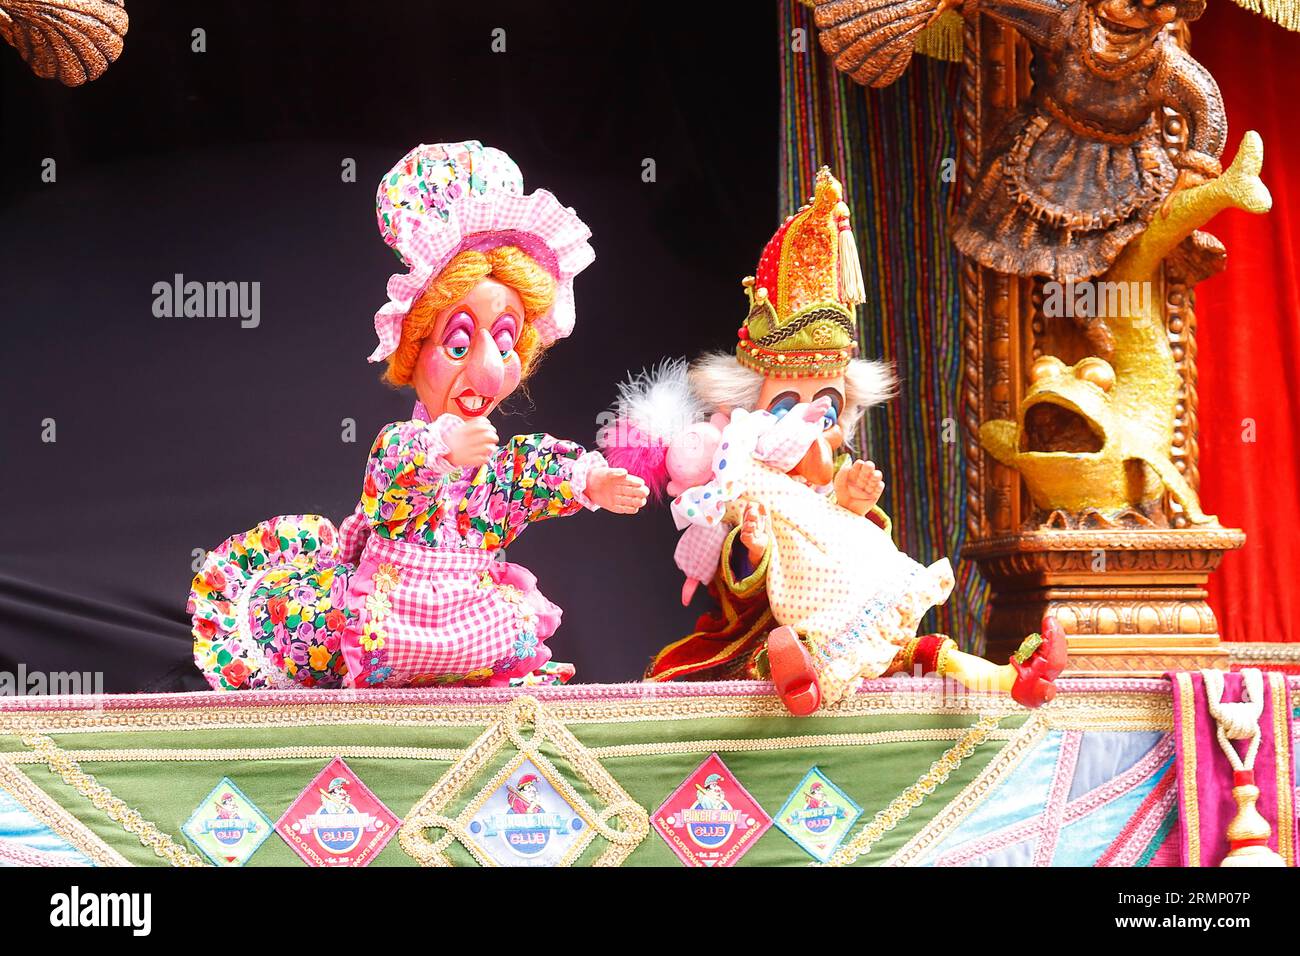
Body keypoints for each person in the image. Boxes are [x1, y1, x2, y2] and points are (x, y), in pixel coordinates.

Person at [189, 141, 648, 691]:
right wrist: (443, 454)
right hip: (394, 608)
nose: (486, 370)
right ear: (416, 346)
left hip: (466, 613)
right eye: (458, 344)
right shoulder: (404, 443)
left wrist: (590, 479)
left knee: (508, 637)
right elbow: (392, 481)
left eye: (504, 343)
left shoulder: (493, 470)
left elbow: (530, 471)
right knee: (345, 637)